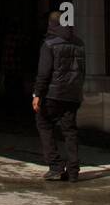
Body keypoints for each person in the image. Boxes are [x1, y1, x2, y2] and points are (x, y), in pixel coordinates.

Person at [32, 10, 86, 183]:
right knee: (70, 131)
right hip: (72, 94)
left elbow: (43, 73)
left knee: (44, 124)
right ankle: (73, 171)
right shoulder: (79, 43)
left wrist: (37, 94)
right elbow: (82, 71)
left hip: (53, 94)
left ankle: (55, 166)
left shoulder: (49, 44)